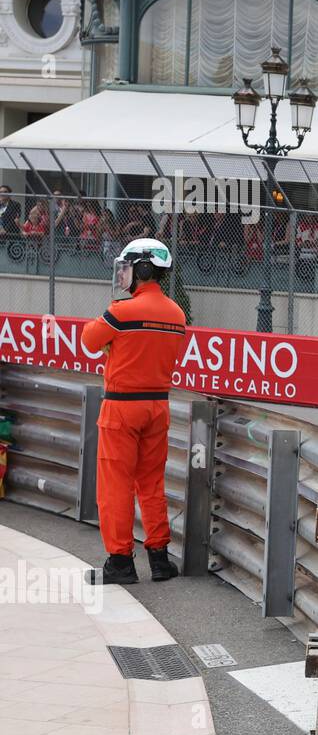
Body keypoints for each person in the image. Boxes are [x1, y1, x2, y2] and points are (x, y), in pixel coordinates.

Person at [80, 239, 187, 586]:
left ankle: (121, 562)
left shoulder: (122, 311)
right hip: (158, 406)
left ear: (142, 270)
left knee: (115, 486)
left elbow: (89, 341)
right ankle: (159, 559)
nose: (124, 273)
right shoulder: (176, 314)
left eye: (128, 267)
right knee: (151, 483)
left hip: (121, 408)